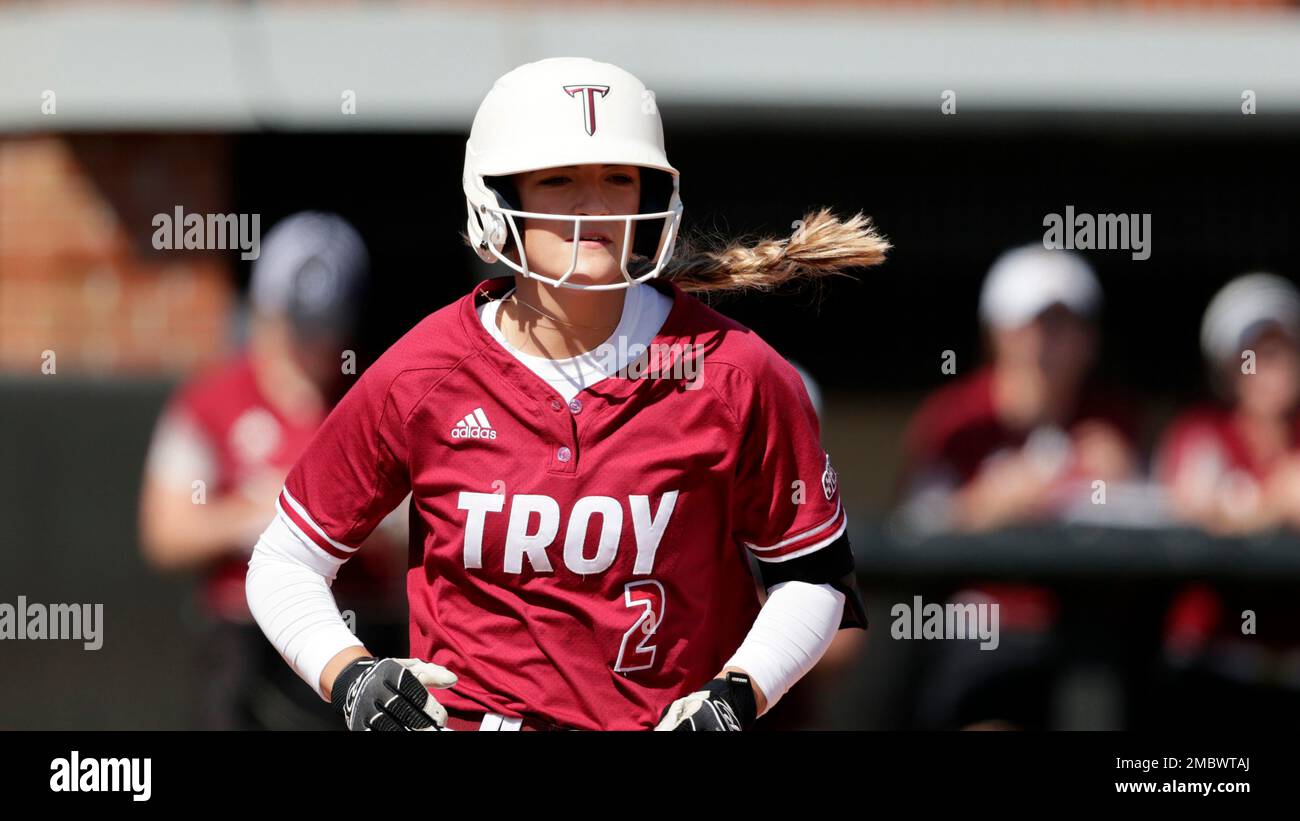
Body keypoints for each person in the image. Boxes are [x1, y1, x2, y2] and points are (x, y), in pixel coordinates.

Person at [244, 57, 887, 731]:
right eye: (559, 180)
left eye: (617, 178)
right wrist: (350, 672)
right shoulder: (425, 371)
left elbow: (815, 577)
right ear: (493, 197)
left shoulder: (732, 371)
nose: (596, 206)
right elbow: (285, 559)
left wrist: (737, 693)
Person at [139, 212, 405, 729]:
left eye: (329, 328)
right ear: (265, 312)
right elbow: (164, 532)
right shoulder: (210, 401)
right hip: (245, 642)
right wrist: (258, 514)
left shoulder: (375, 393)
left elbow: (431, 521)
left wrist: (367, 523)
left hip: (356, 639)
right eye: (299, 327)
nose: (314, 347)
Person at [896, 245, 1138, 729]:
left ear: (1089, 340)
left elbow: (1161, 526)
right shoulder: (956, 418)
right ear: (999, 334)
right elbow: (911, 530)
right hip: (980, 629)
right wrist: (991, 502)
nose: (1047, 342)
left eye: (1064, 325)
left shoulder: (1113, 421)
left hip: (1082, 631)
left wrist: (1127, 483)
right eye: (1032, 324)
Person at [1154, 272, 1300, 728]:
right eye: (1254, 354)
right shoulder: (1199, 432)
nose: (1271, 365)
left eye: (1283, 348)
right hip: (1211, 669)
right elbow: (1194, 507)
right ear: (1226, 367)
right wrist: (1273, 503)